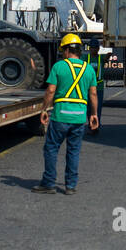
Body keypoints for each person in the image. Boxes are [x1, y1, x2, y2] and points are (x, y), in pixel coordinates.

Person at [34, 33, 99, 195]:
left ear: (68, 50)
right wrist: (94, 114)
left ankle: (48, 183)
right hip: (79, 118)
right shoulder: (89, 69)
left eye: (63, 49)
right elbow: (93, 94)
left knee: (51, 149)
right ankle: (70, 185)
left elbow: (50, 90)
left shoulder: (59, 67)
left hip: (60, 117)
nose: (62, 52)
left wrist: (44, 110)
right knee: (73, 151)